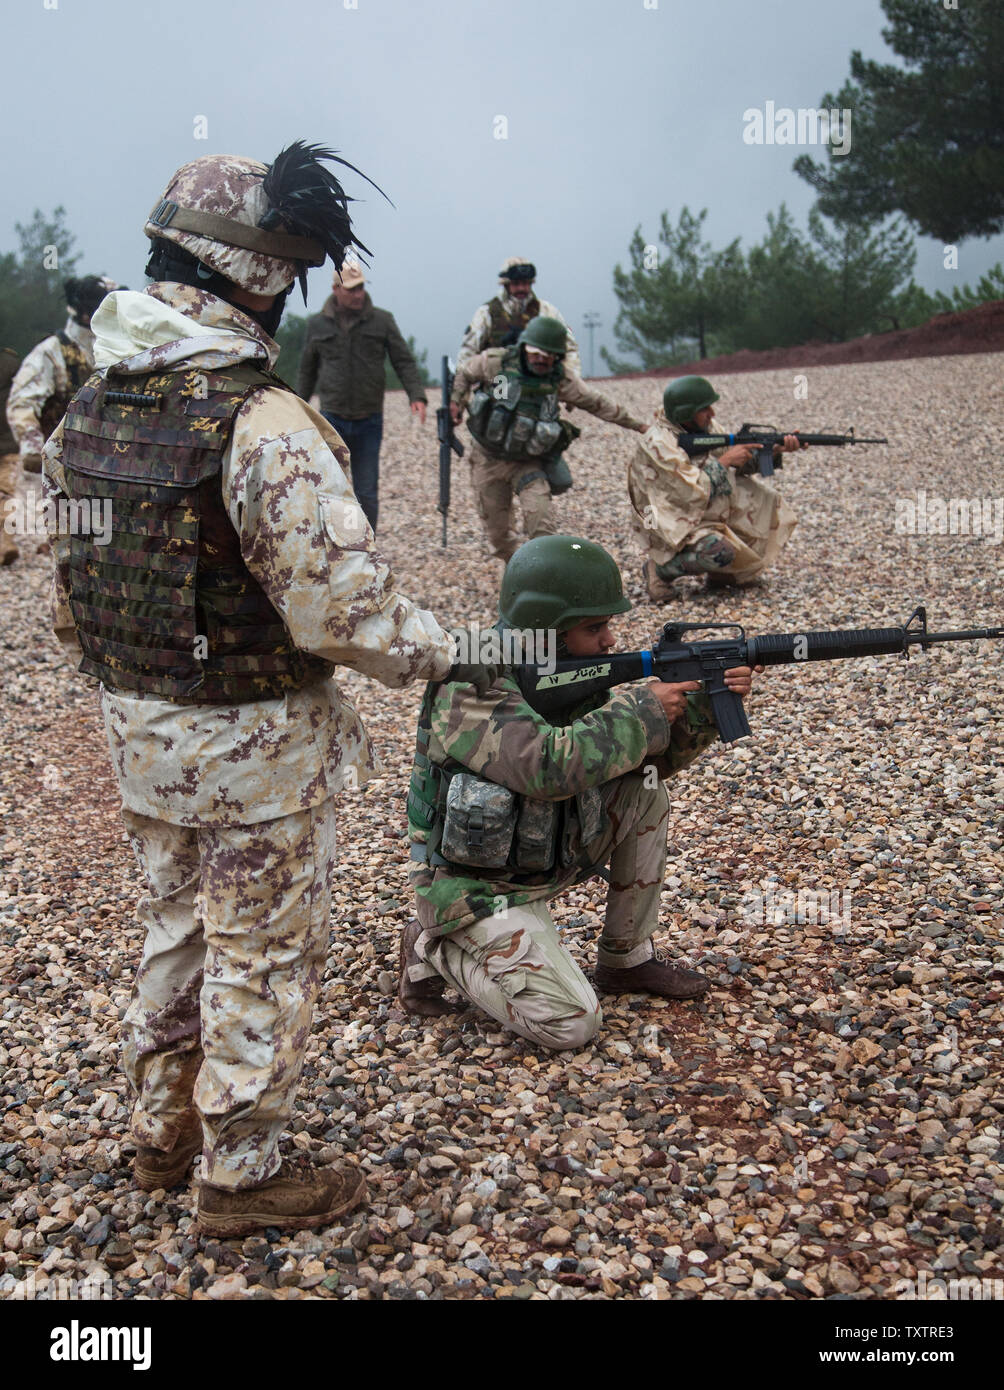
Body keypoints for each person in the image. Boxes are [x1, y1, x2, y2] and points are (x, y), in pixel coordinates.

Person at [42, 142, 468, 1238]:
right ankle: (241, 1171)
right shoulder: (257, 419)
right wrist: (445, 650)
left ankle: (159, 1129)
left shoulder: (93, 399)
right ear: (264, 277)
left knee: (175, 924)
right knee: (261, 950)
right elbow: (341, 613)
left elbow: (69, 586)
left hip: (139, 728)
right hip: (254, 746)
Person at [400, 535, 757, 1049]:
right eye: (595, 627)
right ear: (548, 630)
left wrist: (698, 706)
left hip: (542, 856)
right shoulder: (474, 683)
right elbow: (544, 766)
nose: (611, 639)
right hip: (477, 890)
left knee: (644, 791)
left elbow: (641, 760)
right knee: (570, 1025)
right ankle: (434, 944)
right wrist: (642, 710)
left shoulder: (567, 673)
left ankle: (626, 960)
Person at [451, 317, 646, 560]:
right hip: (487, 460)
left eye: (549, 355)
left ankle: (544, 576)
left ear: (557, 356)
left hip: (528, 463)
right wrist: (456, 402)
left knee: (543, 528)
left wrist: (640, 426)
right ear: (525, 348)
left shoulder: (560, 380)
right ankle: (517, 571)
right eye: (536, 353)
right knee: (499, 538)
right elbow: (463, 372)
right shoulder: (495, 362)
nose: (541, 359)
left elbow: (598, 403)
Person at [629, 376, 802, 600]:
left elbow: (741, 465)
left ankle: (722, 575)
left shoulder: (705, 428)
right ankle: (659, 569)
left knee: (767, 504)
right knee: (719, 551)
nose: (712, 413)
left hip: (704, 512)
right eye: (704, 409)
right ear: (685, 413)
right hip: (671, 523)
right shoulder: (659, 443)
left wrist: (776, 450)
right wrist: (725, 461)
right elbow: (686, 491)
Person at [296, 260, 427, 533]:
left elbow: (403, 360)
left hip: (369, 420)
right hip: (332, 420)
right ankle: (337, 546)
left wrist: (416, 395)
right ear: (335, 289)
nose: (358, 294)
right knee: (333, 489)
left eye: (361, 288)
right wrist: (297, 409)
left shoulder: (382, 320)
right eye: (351, 289)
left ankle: (367, 548)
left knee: (366, 491)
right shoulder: (317, 325)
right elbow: (307, 372)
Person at [6, 276, 122, 475]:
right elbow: (22, 403)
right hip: (58, 464)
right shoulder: (51, 352)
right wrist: (33, 450)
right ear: (85, 314)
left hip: (108, 465)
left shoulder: (119, 351)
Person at [457, 256, 581, 375]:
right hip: (498, 385)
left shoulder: (547, 311)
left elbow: (570, 349)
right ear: (506, 285)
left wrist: (568, 378)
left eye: (526, 283)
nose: (521, 288)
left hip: (539, 385)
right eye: (516, 284)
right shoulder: (486, 313)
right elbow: (468, 353)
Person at [0, 347, 22, 565]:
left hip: (8, 442)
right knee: (6, 495)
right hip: (8, 441)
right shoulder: (13, 364)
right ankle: (6, 544)